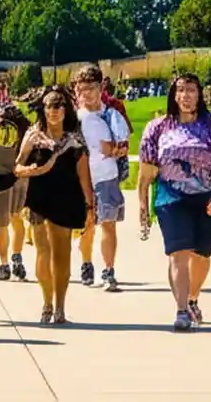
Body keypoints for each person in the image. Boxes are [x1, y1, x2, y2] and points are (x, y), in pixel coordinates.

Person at [137, 73, 211, 331]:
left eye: (191, 90)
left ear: (199, 94)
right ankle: (181, 310)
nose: (185, 96)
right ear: (173, 95)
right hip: (171, 197)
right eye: (180, 90)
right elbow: (146, 170)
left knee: (202, 254)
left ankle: (193, 297)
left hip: (206, 196)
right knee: (178, 253)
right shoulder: (158, 127)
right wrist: (142, 206)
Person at [15, 85, 92, 324]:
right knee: (42, 252)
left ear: (66, 110)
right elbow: (17, 168)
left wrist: (90, 207)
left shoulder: (74, 142)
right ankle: (46, 302)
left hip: (67, 199)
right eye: (49, 106)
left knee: (62, 254)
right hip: (39, 199)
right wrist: (30, 163)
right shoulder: (33, 137)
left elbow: (84, 177)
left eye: (59, 106)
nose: (54, 110)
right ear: (43, 109)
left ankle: (60, 306)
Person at [73, 64, 130, 291]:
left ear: (101, 87)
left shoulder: (111, 115)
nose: (86, 93)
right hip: (81, 179)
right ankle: (87, 263)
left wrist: (114, 150)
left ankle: (109, 269)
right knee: (86, 225)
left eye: (91, 88)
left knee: (108, 224)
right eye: (82, 88)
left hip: (106, 176)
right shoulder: (74, 118)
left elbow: (124, 146)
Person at [0, 73, 32, 282]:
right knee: (16, 217)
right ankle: (17, 256)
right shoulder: (18, 115)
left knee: (0, 223)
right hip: (19, 172)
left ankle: (4, 265)